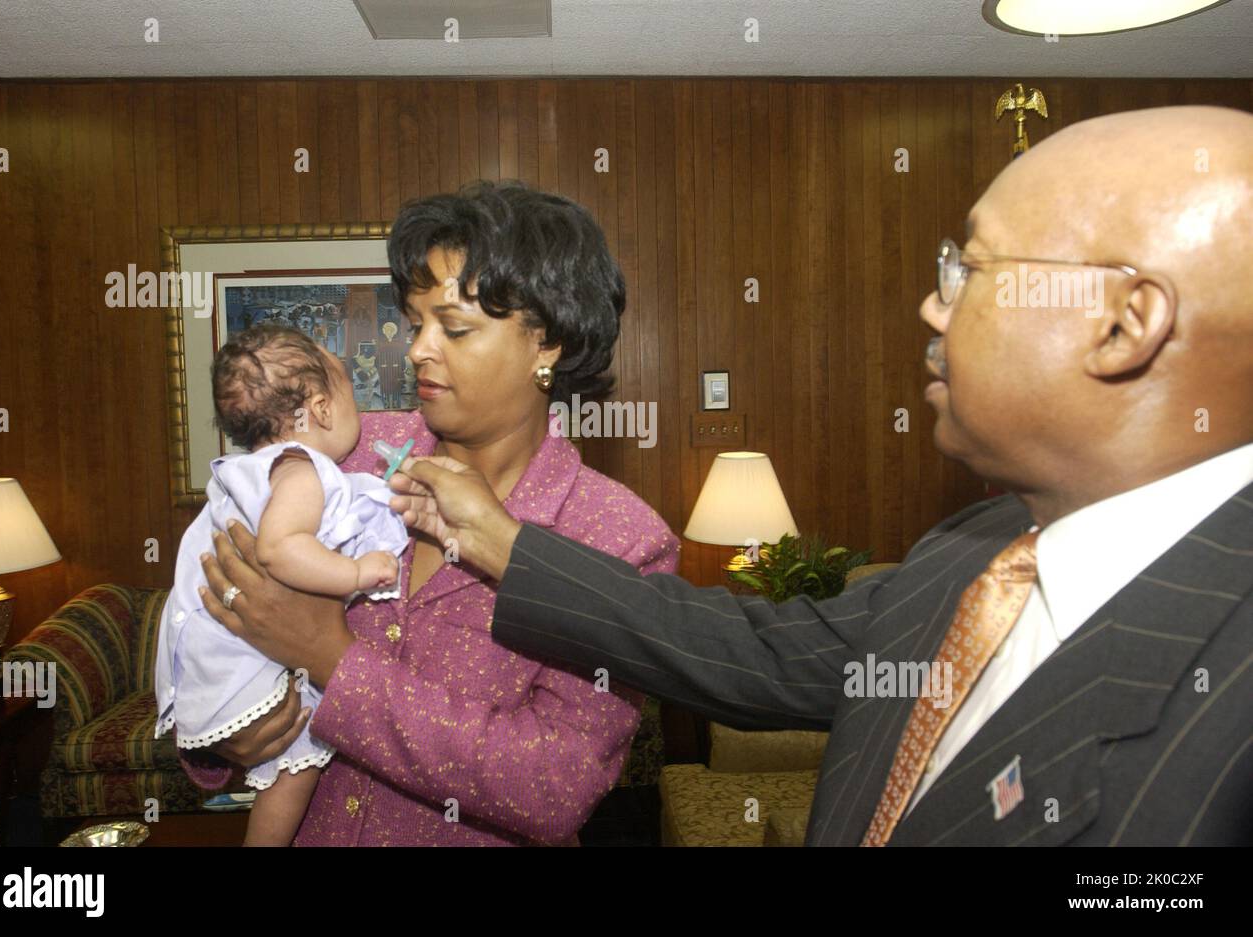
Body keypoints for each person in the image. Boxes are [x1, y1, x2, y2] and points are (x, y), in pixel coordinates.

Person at [382, 106, 1253, 845]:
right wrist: (502, 542)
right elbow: (736, 648)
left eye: (971, 268)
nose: (933, 304)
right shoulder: (969, 555)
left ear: (1122, 324)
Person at [185, 180, 680, 845]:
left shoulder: (616, 539)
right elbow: (214, 597)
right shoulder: (343, 459)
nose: (417, 348)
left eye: (453, 327)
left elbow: (556, 783)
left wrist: (333, 659)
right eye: (416, 321)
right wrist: (221, 742)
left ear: (548, 343)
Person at [156, 325, 408, 846]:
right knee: (301, 754)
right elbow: (278, 549)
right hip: (238, 656)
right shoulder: (301, 470)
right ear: (319, 408)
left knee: (295, 762)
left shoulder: (250, 470)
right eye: (349, 391)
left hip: (213, 657)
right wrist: (358, 573)